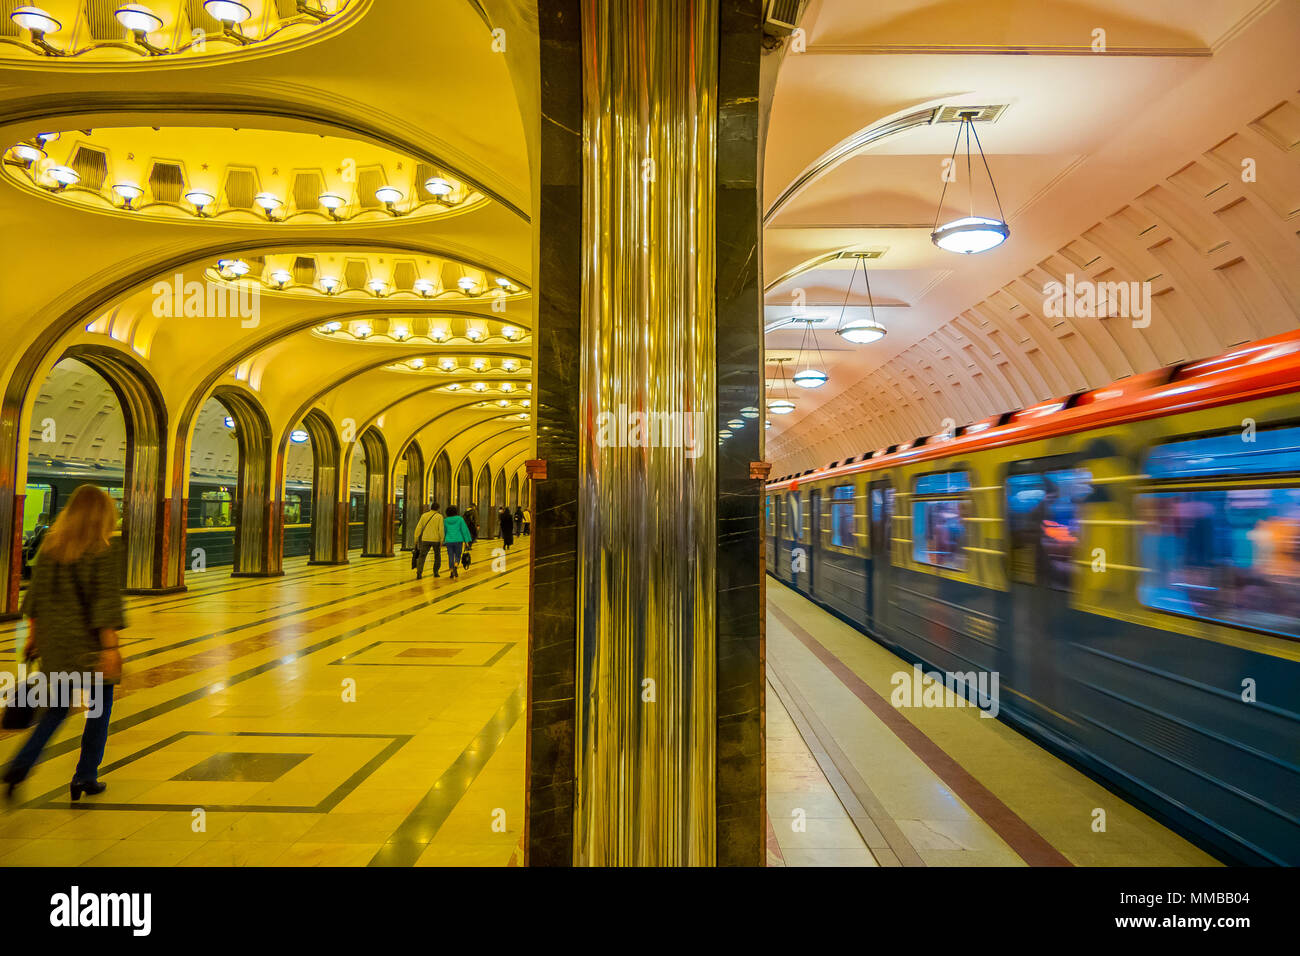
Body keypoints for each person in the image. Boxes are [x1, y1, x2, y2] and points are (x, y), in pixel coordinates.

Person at [4, 485, 125, 804]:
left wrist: (33, 637)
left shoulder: (51, 548)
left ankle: (20, 764)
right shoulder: (102, 551)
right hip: (90, 650)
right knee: (98, 713)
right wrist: (111, 649)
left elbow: (34, 600)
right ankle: (86, 776)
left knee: (55, 711)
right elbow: (105, 607)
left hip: (57, 646)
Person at [412, 500, 444, 579]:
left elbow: (419, 527)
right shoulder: (439, 516)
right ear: (438, 508)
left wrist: (416, 538)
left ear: (431, 507)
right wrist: (441, 540)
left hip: (425, 539)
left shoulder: (424, 515)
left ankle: (419, 572)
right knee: (437, 556)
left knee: (422, 556)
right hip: (436, 540)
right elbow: (441, 529)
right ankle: (436, 572)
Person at [443, 506, 472, 581]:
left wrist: (443, 540)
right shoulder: (460, 519)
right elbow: (464, 530)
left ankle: (452, 571)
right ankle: (455, 566)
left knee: (450, 556)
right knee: (458, 555)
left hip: (449, 540)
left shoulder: (445, 520)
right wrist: (467, 541)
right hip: (458, 540)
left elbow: (444, 531)